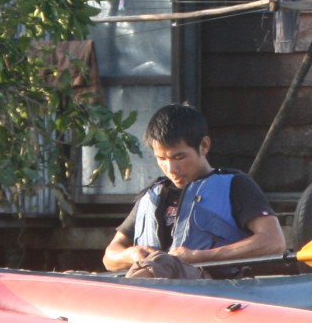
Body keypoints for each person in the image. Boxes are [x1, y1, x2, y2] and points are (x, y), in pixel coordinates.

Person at [103, 103, 286, 277]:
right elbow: (110, 256)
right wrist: (131, 255)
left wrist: (198, 257)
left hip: (210, 289)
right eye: (162, 159)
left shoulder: (236, 185)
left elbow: (273, 242)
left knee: (164, 264)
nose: (171, 168)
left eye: (179, 157)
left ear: (204, 146)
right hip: (155, 287)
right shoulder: (150, 196)